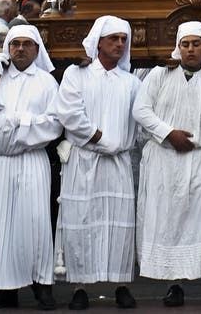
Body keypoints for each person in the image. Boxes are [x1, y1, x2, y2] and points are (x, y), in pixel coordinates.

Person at [132, 21, 201, 306]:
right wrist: (168, 133)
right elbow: (141, 109)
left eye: (196, 44)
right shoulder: (160, 75)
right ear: (178, 47)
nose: (190, 50)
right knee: (169, 223)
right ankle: (175, 285)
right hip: (164, 161)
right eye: (185, 44)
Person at [0, 24, 62, 310]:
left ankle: (41, 285)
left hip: (30, 160)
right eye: (14, 44)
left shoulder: (46, 82)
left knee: (34, 223)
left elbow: (54, 123)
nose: (20, 49)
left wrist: (19, 127)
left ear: (37, 48)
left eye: (26, 44)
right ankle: (2, 288)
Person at [54, 16, 141, 310]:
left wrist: (118, 146)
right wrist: (101, 138)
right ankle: (80, 285)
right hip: (84, 160)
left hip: (117, 164)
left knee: (119, 223)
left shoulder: (131, 82)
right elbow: (70, 114)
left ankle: (120, 284)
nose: (119, 44)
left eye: (123, 39)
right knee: (81, 220)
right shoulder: (76, 75)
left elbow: (138, 122)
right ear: (98, 41)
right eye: (113, 38)